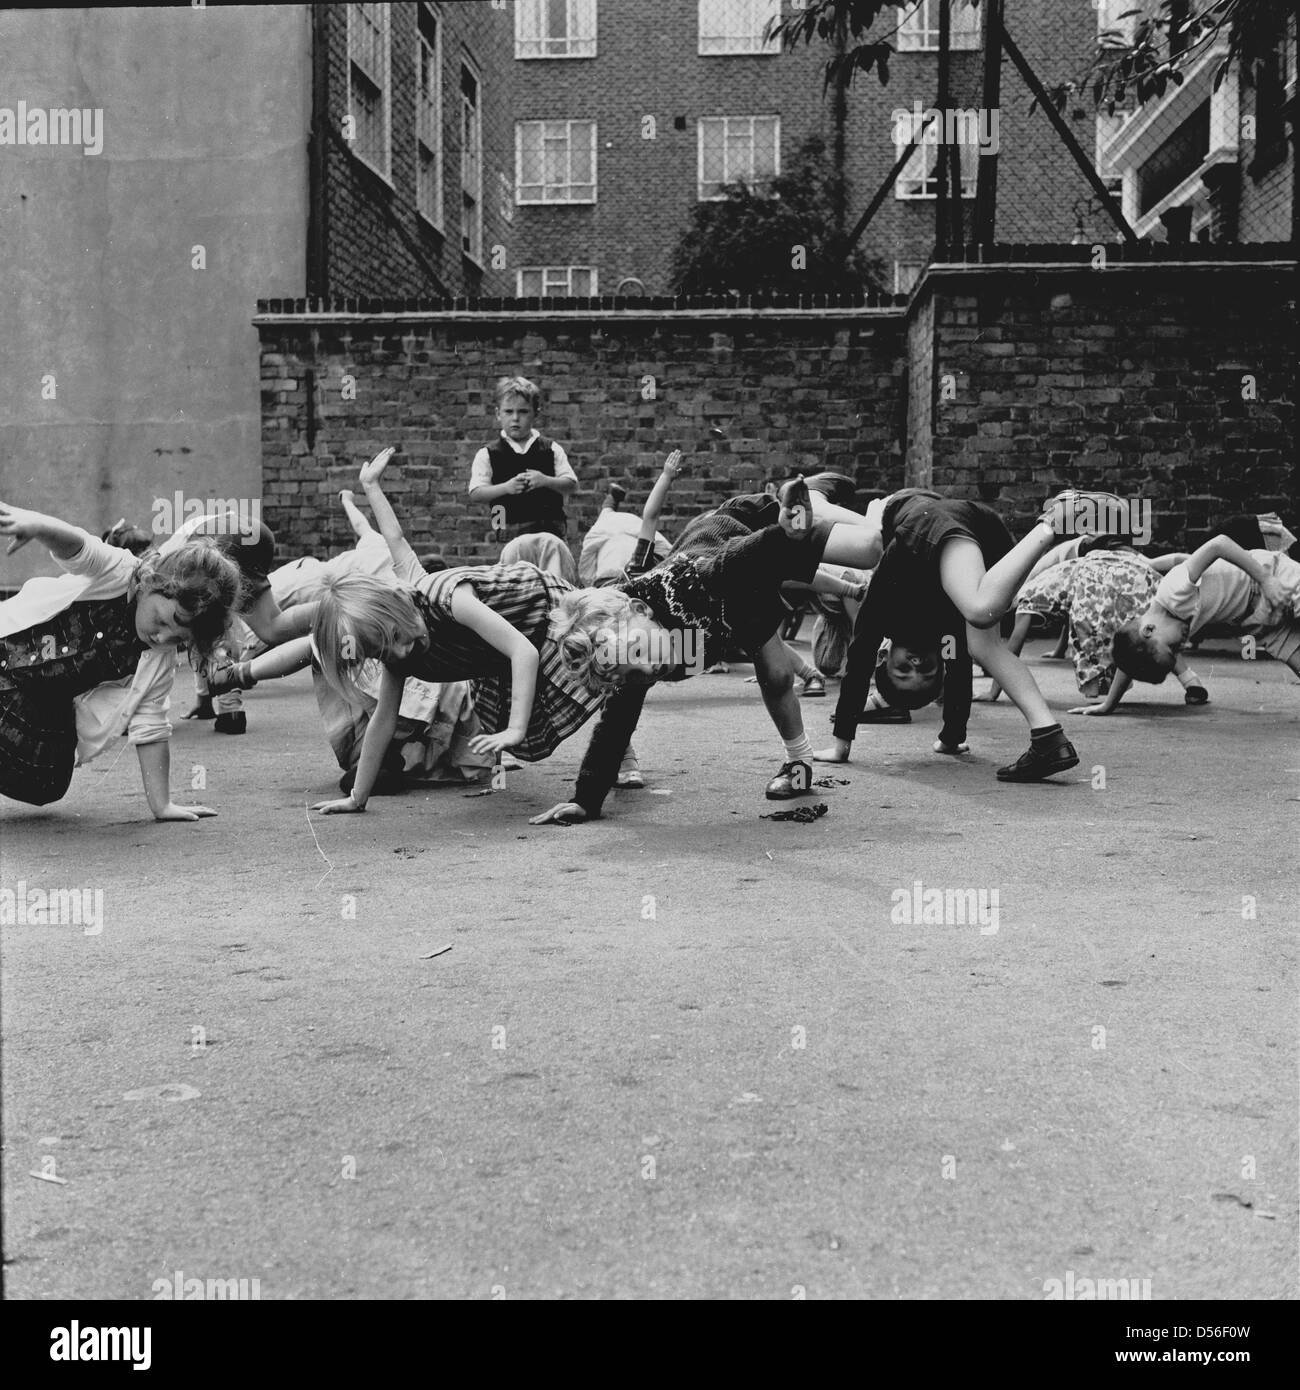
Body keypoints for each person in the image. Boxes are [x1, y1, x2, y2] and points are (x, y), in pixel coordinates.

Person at [528, 477, 897, 826]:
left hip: (751, 531)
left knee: (870, 551)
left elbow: (734, 559)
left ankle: (814, 498)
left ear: (641, 610)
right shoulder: (629, 656)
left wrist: (786, 532)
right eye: (631, 671)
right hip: (740, 608)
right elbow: (613, 727)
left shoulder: (692, 583)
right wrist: (585, 800)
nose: (649, 666)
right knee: (777, 672)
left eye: (639, 651)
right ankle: (798, 767)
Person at [814, 489, 1104, 781]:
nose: (915, 663)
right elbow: (958, 669)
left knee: (978, 610)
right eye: (925, 669)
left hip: (925, 523)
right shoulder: (947, 639)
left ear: (885, 656)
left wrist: (842, 743)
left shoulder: (883, 607)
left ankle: (1053, 522)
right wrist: (951, 737)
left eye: (903, 669)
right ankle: (1048, 738)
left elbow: (859, 659)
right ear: (938, 662)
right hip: (980, 532)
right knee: (983, 646)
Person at [0, 500, 239, 819]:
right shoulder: (118, 572)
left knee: (48, 783)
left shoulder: (157, 661)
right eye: (165, 621)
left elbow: (151, 727)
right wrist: (39, 526)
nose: (164, 638)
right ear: (152, 583)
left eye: (181, 640)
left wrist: (162, 805)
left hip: (39, 702)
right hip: (6, 650)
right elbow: (80, 546)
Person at [1093, 534, 1300, 713]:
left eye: (1172, 648)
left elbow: (1219, 544)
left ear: (1149, 629)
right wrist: (1108, 704)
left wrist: (1265, 580)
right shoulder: (1166, 627)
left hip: (1269, 578)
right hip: (1258, 621)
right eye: (1176, 652)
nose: (1181, 647)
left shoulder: (1174, 591)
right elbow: (1129, 661)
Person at [467, 375, 577, 542]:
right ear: (498, 414)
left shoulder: (551, 448)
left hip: (549, 529)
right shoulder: (488, 453)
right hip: (506, 527)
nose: (515, 418)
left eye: (523, 412)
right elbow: (476, 493)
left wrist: (545, 480)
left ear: (535, 413)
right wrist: (506, 488)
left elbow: (571, 485)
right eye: (509, 412)